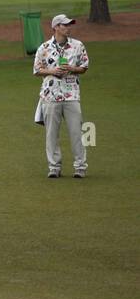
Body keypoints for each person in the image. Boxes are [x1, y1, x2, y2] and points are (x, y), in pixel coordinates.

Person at [33, 14, 89, 179]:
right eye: (65, 25)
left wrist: (71, 68)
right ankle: (54, 167)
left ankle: (80, 167)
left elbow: (84, 66)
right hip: (50, 96)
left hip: (71, 95)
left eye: (69, 25)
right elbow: (37, 70)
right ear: (56, 27)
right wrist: (52, 71)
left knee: (77, 133)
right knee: (51, 134)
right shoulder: (44, 48)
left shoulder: (78, 46)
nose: (68, 27)